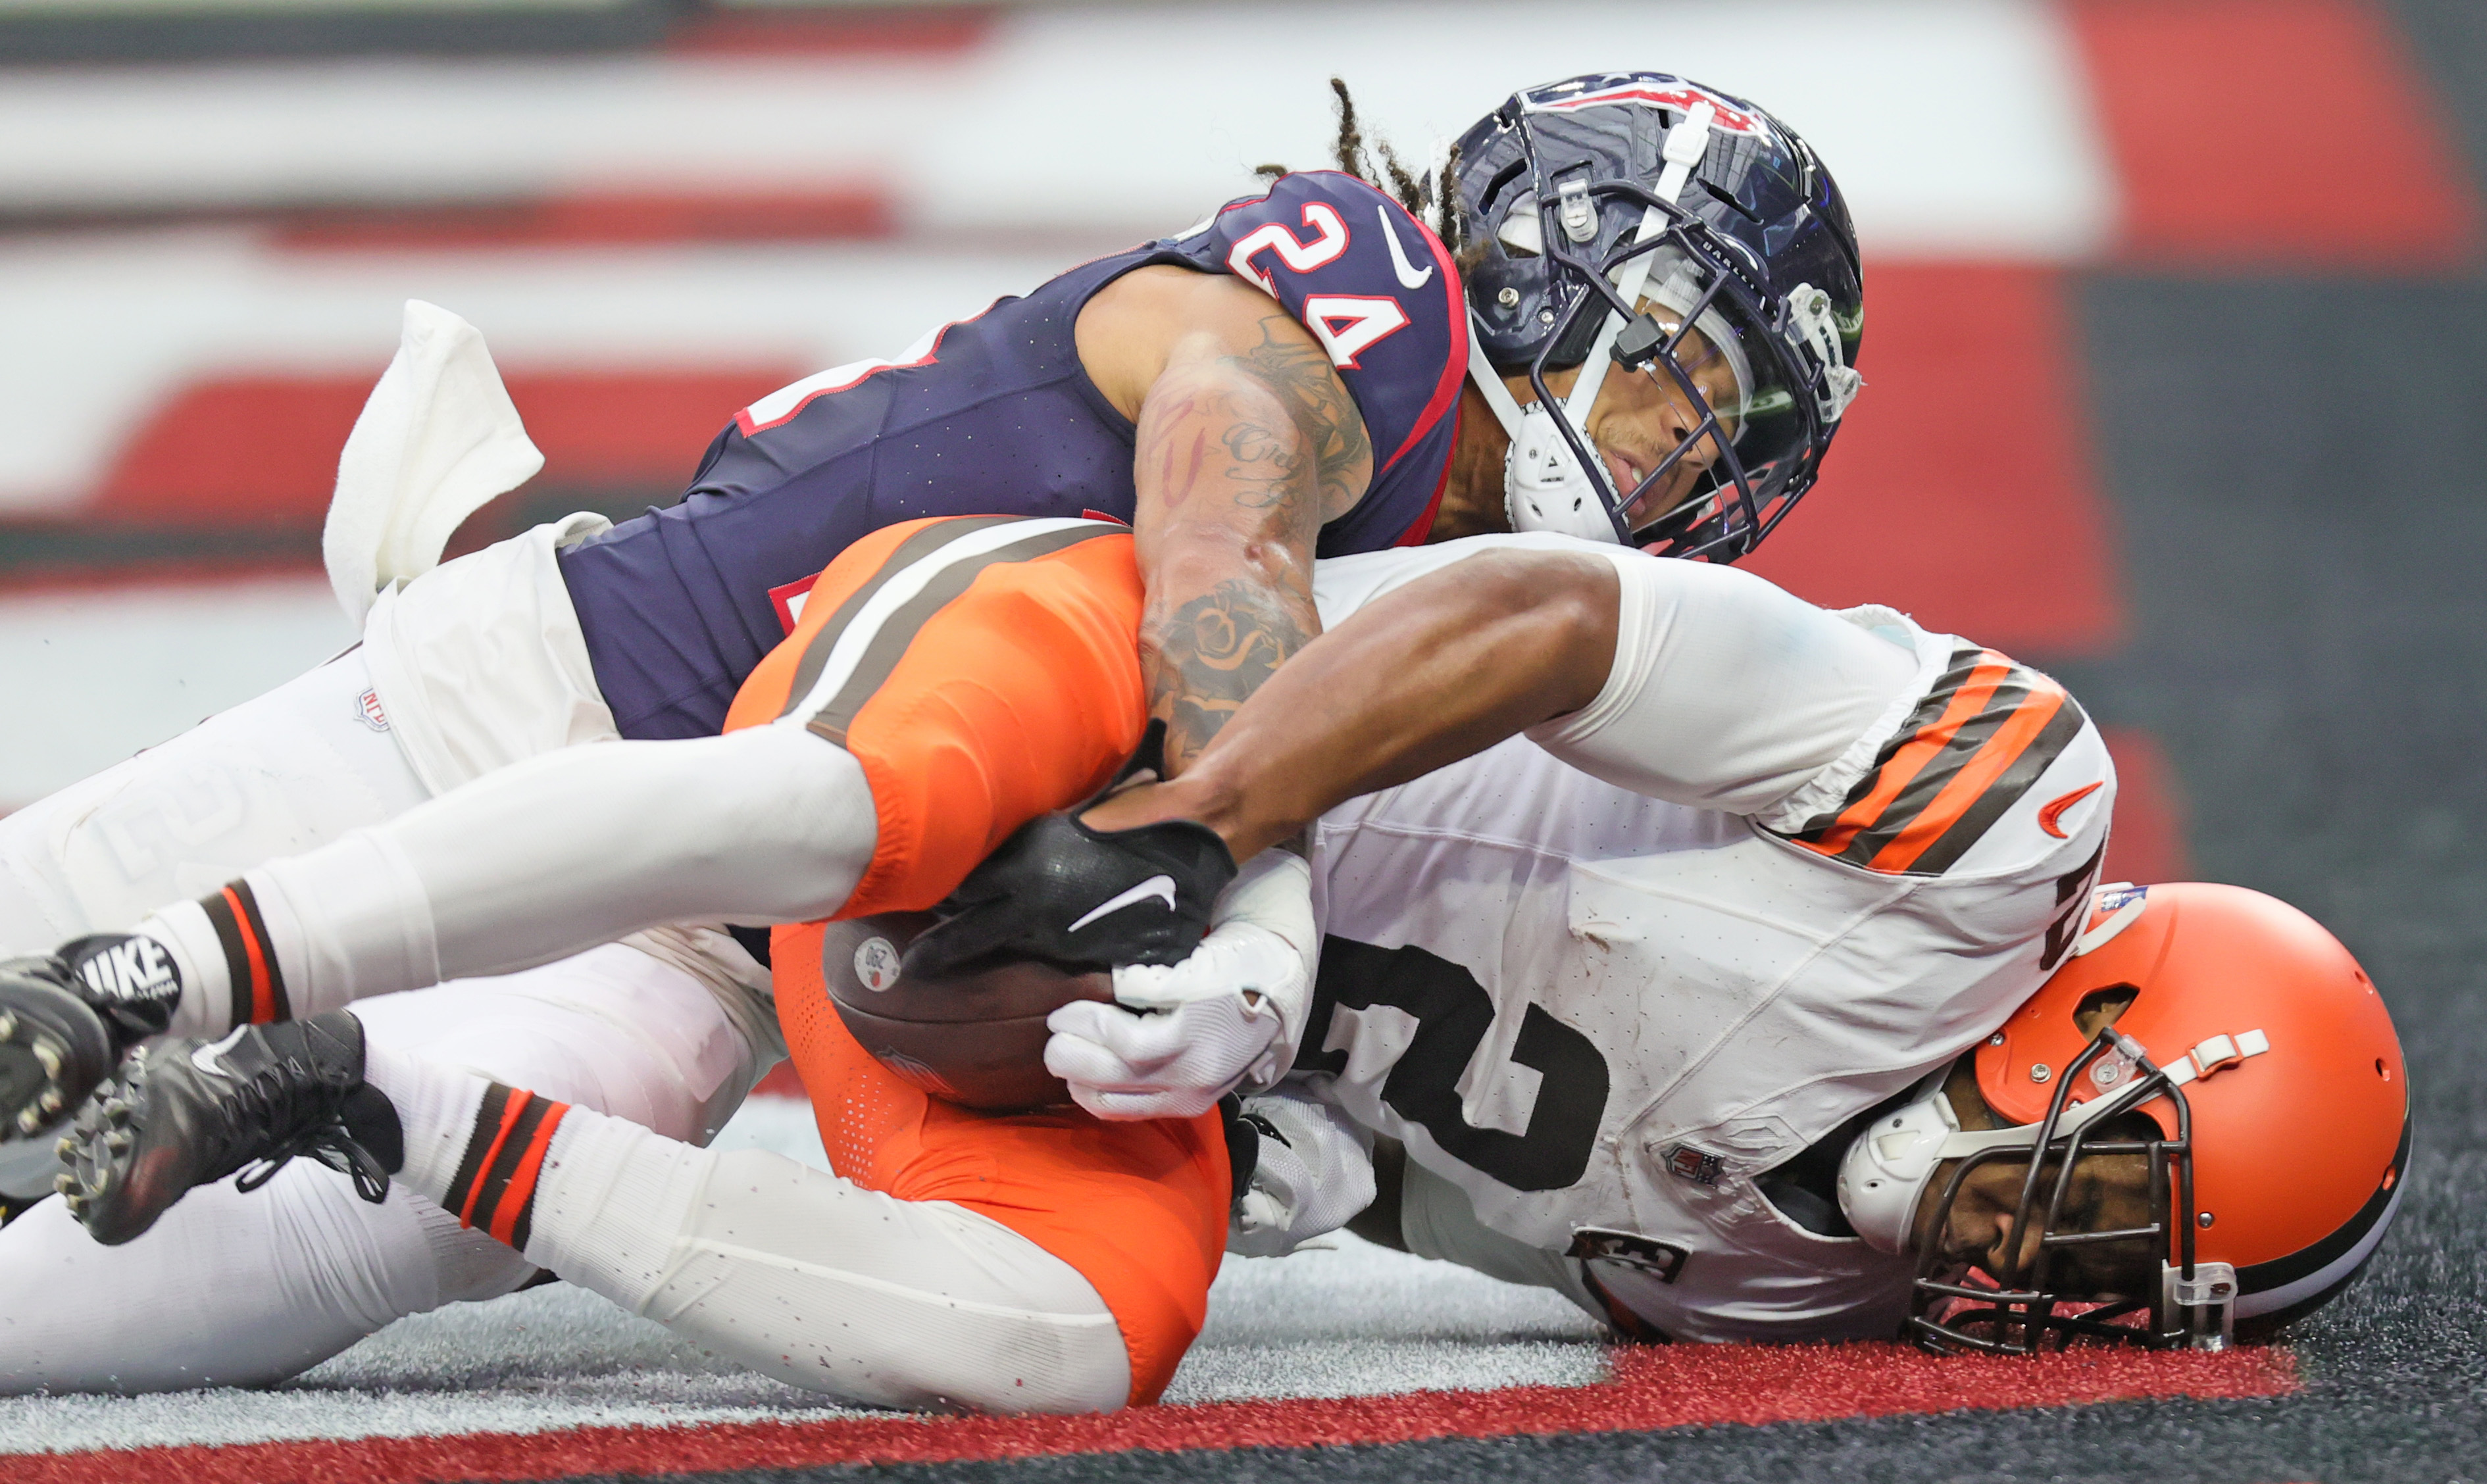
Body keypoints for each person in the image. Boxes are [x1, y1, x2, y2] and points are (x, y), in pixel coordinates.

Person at [0, 70, 1869, 1395]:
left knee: (312, 1225)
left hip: (726, 953)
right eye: (1685, 387)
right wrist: (1256, 909)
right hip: (552, 703)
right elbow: (1221, 558)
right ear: (1554, 260)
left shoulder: (1454, 627)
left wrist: (1292, 1117)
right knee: (40, 971)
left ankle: (277, 1081)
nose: (1684, 473)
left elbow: (1153, 829)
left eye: (1728, 441)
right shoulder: (1357, 317)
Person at [11, 497, 2403, 1403]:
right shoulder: (1982, 818)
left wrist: (1305, 1146)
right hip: (1126, 682)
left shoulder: (1777, 1271)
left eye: (2111, 1286)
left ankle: (378, 1094)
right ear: (2099, 1014)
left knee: (1069, 1350)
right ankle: (173, 970)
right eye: (2104, 1203)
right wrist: (1224, 859)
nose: (2038, 1273)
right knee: (878, 807)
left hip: (1006, 982)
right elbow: (1539, 614)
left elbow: (1455, 1111)